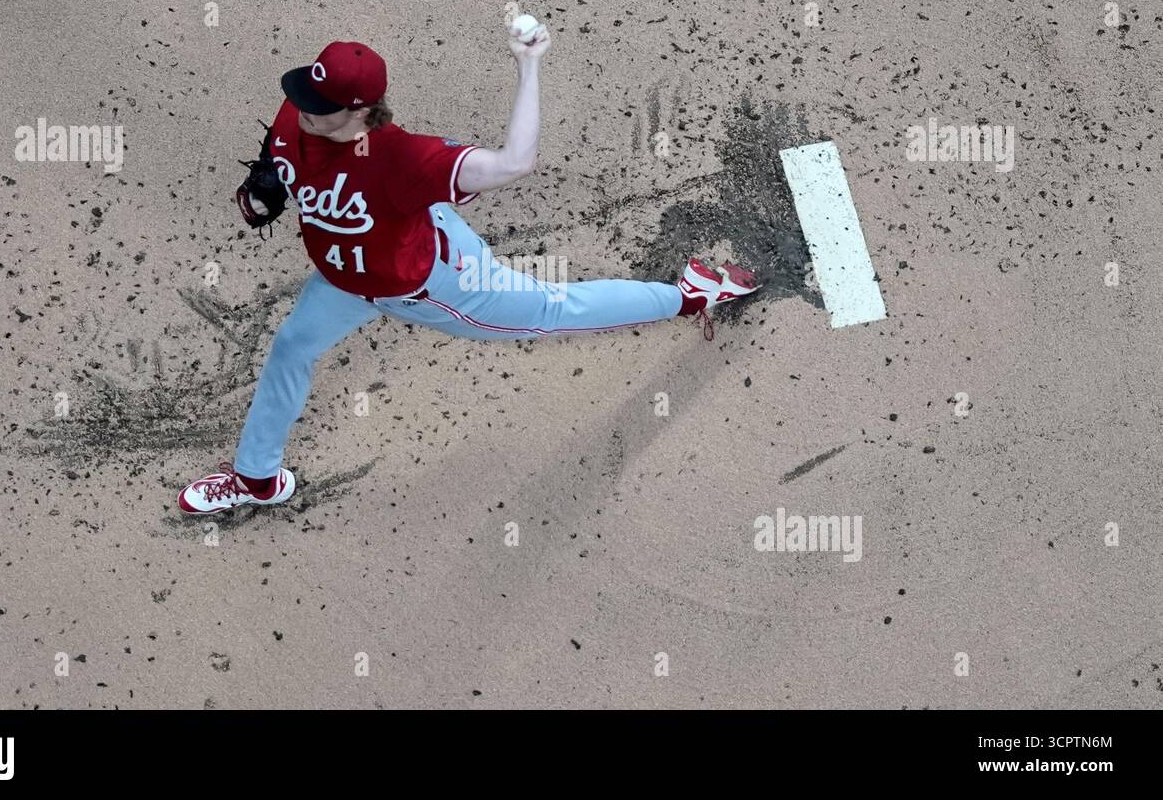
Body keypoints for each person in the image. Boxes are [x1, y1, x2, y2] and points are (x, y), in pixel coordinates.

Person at [178, 26, 760, 513]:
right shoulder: (301, 108)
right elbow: (281, 153)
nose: (303, 110)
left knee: (548, 310)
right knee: (291, 347)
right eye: (304, 95)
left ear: (360, 110)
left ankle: (687, 295)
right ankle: (257, 479)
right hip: (343, 279)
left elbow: (515, 162)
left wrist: (529, 66)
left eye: (320, 107)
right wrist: (263, 187)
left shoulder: (400, 156)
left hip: (426, 282)